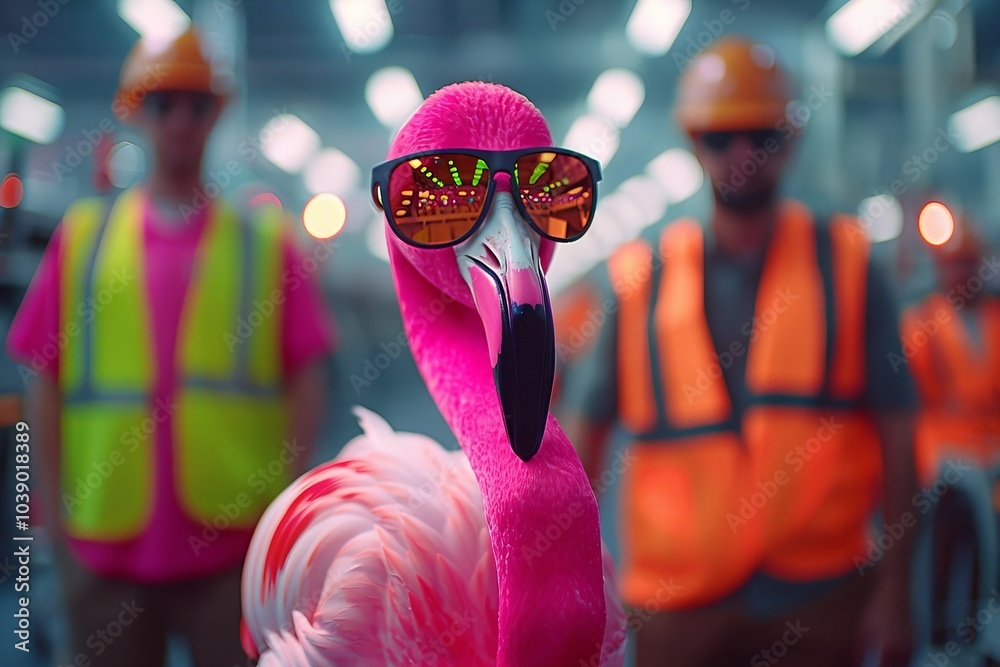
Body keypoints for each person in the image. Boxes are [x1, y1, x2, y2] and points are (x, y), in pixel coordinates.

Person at [557, 35, 918, 667]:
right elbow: (584, 440)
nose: (742, 155)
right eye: (720, 138)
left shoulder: (850, 264)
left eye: (763, 136)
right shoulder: (638, 280)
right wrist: (563, 590)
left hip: (823, 597)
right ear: (693, 142)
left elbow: (897, 430)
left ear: (792, 140)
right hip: (677, 607)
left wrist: (895, 594)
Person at [6, 28, 334, 666]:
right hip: (104, 554)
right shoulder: (83, 240)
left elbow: (308, 376)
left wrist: (284, 515)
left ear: (216, 113)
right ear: (136, 113)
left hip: (234, 555)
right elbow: (43, 379)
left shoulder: (263, 244)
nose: (180, 120)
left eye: (196, 103)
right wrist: (53, 522)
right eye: (163, 104)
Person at [902, 207, 999, 483]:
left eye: (969, 263)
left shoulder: (995, 316)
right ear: (940, 267)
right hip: (945, 453)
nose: (963, 272)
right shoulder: (920, 324)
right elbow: (909, 402)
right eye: (954, 264)